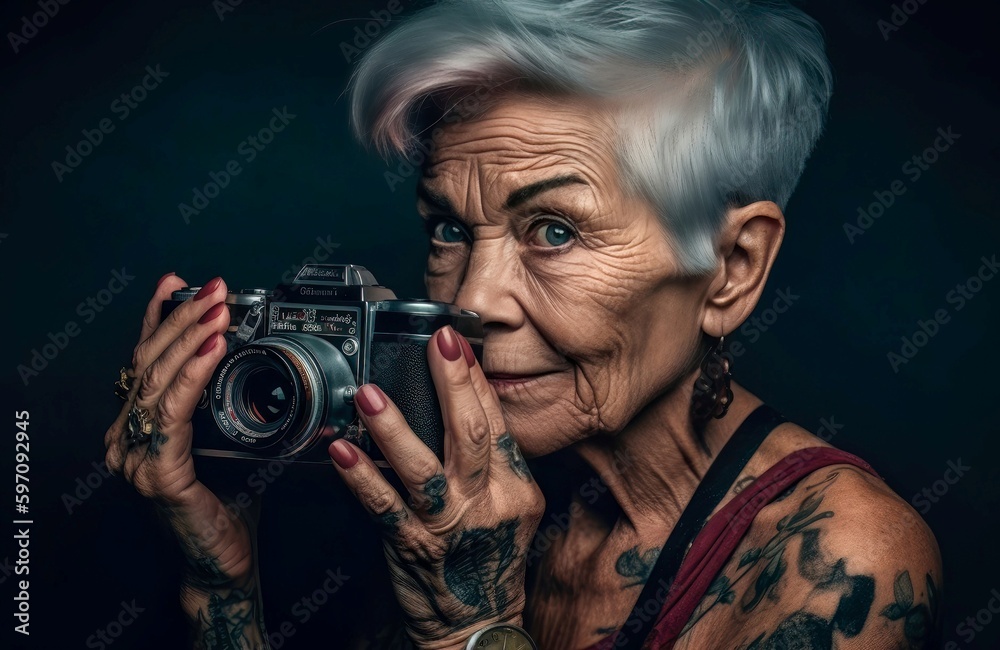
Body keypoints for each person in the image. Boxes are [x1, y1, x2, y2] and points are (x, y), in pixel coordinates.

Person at [104, 1, 942, 648]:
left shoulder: (844, 560)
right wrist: (219, 584)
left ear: (733, 268)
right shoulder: (456, 491)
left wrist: (467, 633)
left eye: (555, 230)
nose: (478, 300)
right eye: (448, 229)